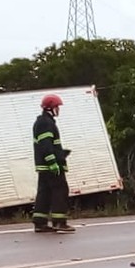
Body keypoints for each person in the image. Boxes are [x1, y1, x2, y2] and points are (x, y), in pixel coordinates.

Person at [33, 93, 75, 234]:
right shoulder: (46, 123)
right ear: (51, 108)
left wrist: (61, 153)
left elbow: (49, 145)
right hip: (51, 167)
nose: (59, 110)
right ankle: (59, 222)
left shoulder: (42, 122)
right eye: (57, 107)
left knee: (44, 193)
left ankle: (40, 223)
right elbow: (46, 145)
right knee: (60, 191)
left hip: (44, 166)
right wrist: (53, 162)